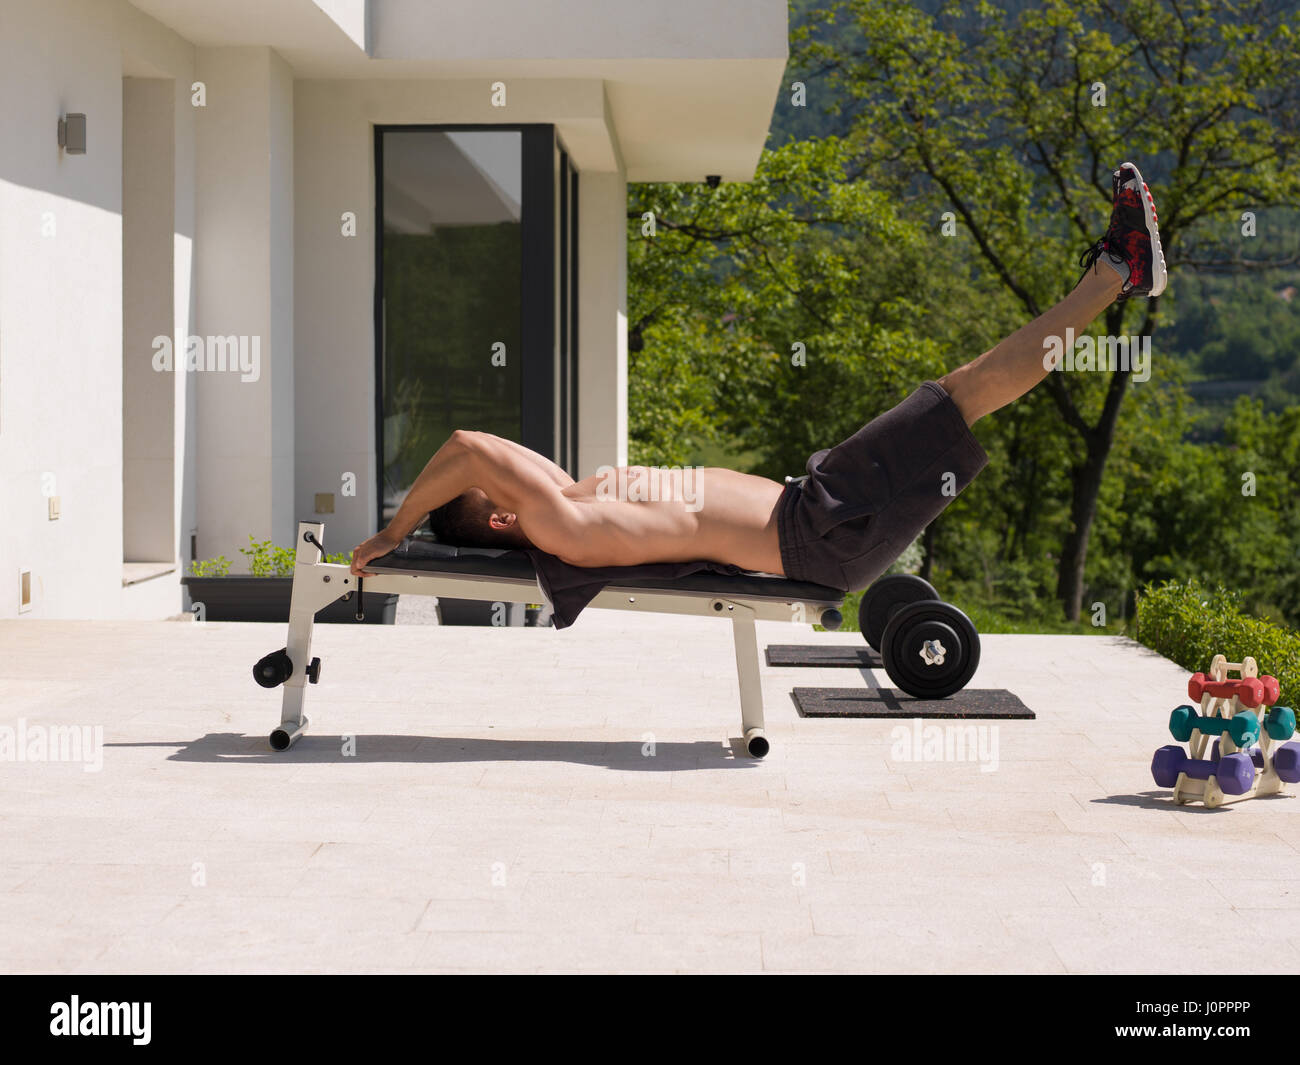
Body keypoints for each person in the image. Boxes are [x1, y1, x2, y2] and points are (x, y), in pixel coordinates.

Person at [352, 162, 1166, 601]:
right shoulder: (564, 525)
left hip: (814, 514)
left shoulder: (581, 501)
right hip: (819, 526)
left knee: (960, 395)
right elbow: (467, 445)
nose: (531, 458)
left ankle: (1114, 272)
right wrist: (399, 528)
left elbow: (483, 455)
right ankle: (1113, 274)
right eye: (513, 476)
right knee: (961, 393)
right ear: (500, 509)